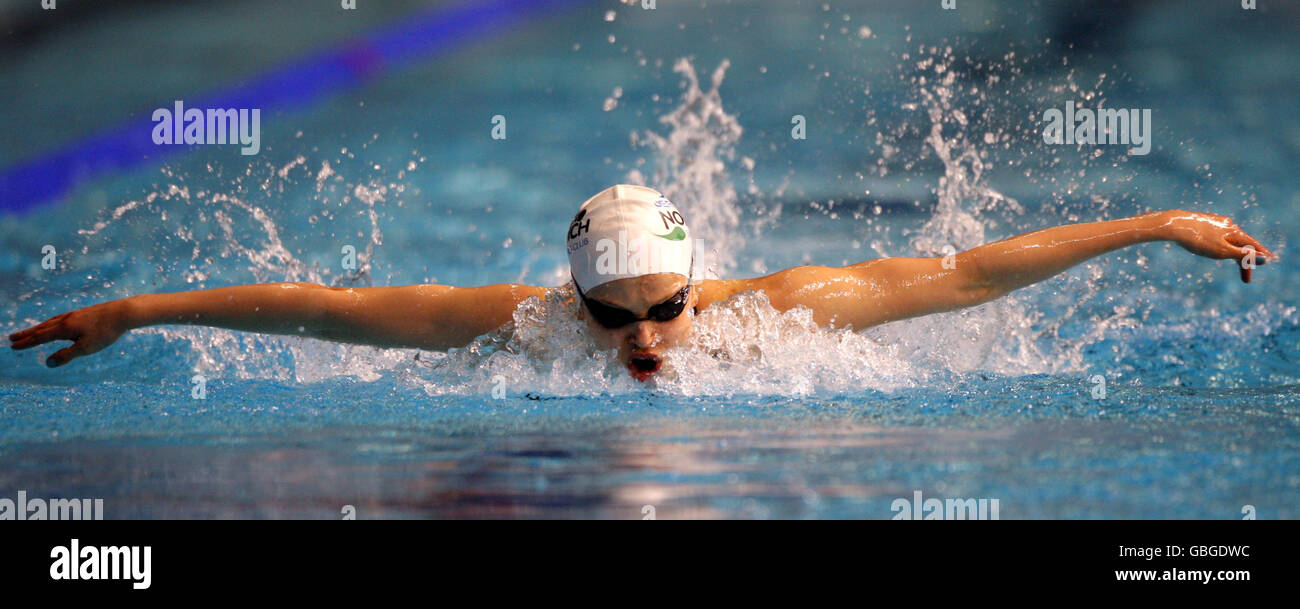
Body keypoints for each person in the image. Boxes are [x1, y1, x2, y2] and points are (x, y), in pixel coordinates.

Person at [8, 184, 1275, 382]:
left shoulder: (783, 314)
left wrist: (1159, 222)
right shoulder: (526, 329)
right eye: (611, 318)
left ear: (697, 287)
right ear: (572, 303)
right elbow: (327, 313)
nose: (649, 348)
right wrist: (140, 308)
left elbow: (962, 273)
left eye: (665, 311)